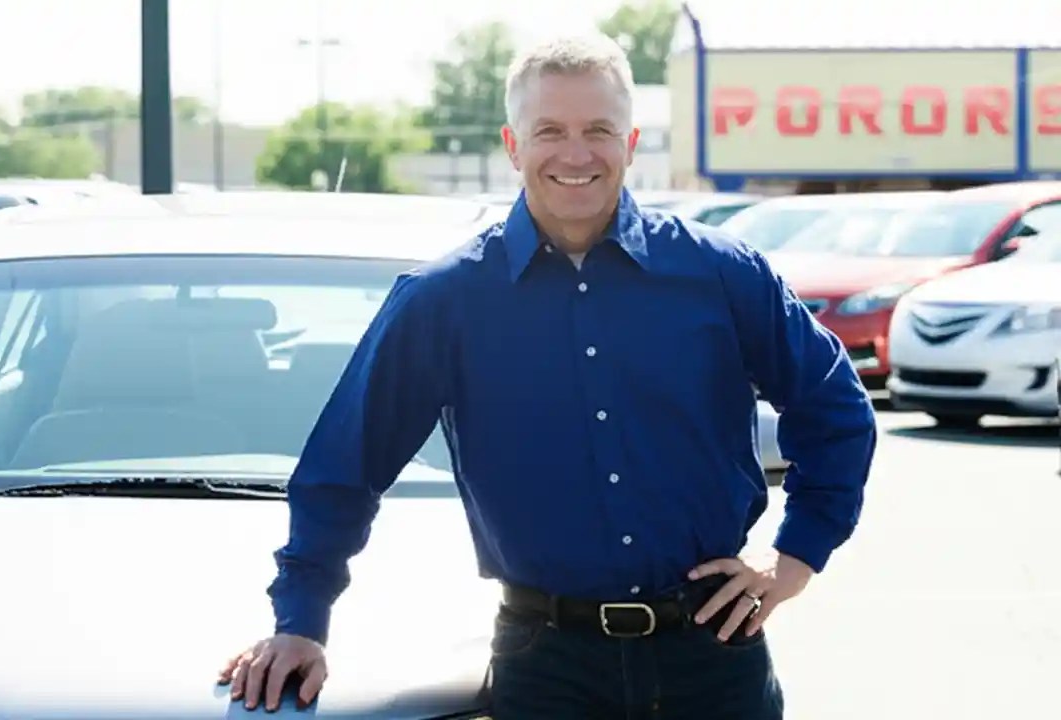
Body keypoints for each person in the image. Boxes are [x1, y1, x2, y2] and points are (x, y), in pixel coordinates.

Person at [218, 32, 876, 719]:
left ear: (630, 140)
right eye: (550, 131)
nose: (575, 153)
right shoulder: (445, 299)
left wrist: (793, 560)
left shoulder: (721, 274)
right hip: (547, 665)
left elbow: (836, 411)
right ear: (512, 144)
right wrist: (299, 621)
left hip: (713, 656)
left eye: (598, 129)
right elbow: (344, 466)